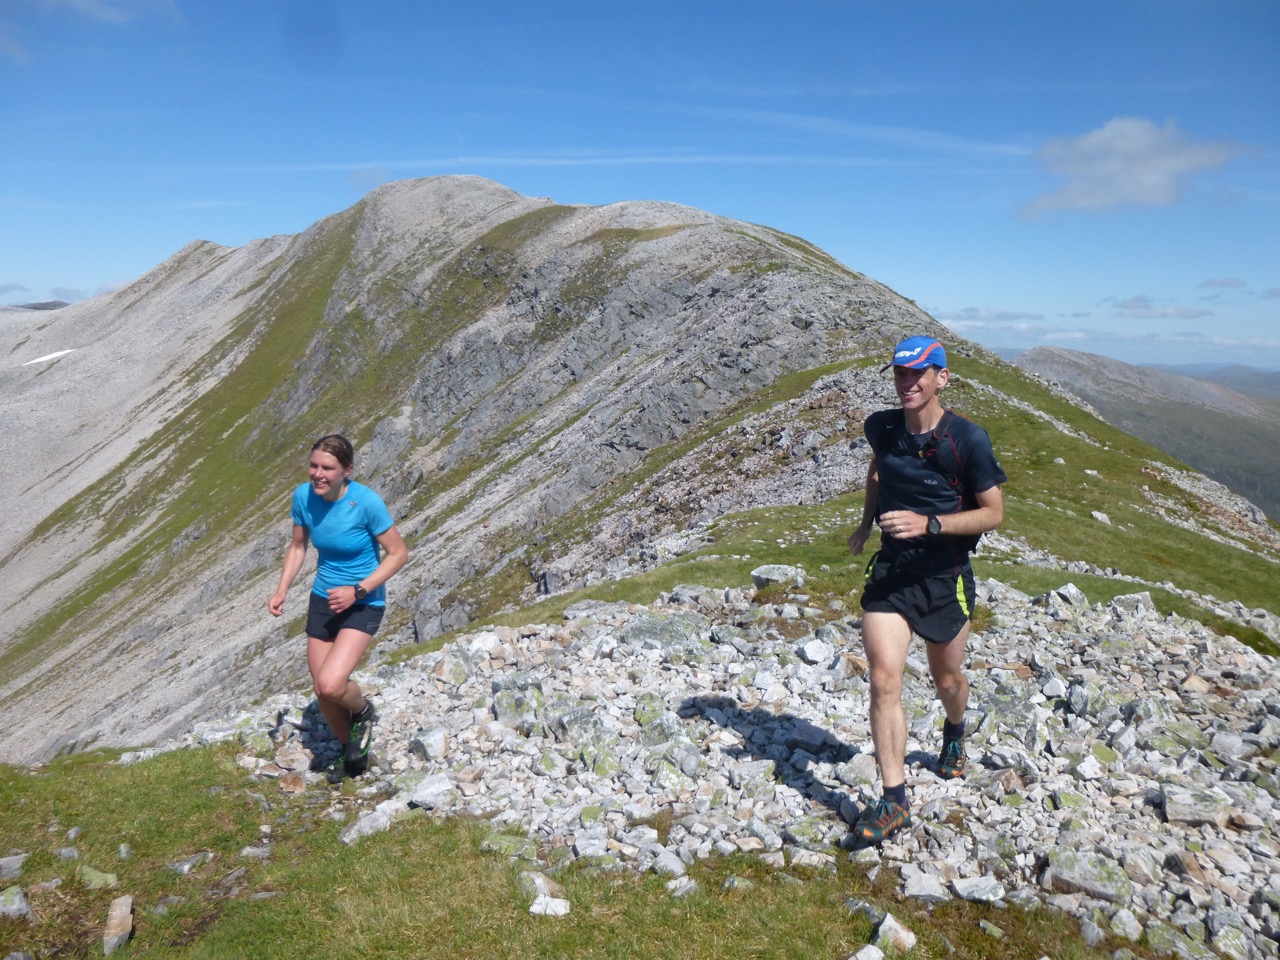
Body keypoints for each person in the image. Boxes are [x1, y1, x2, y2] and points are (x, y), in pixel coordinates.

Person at [846, 336, 1006, 843]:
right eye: (899, 373)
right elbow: (878, 469)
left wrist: (930, 524)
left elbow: (994, 513)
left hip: (946, 578)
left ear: (942, 377)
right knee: (883, 678)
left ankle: (954, 733)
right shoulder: (882, 426)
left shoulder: (967, 439)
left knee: (947, 680)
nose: (908, 383)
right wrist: (866, 522)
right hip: (892, 575)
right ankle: (894, 800)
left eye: (919, 373)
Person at [268, 434, 409, 777]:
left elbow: (399, 553)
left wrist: (358, 591)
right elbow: (298, 546)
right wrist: (282, 589)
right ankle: (354, 756)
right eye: (313, 465)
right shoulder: (303, 496)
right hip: (323, 600)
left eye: (327, 468)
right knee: (322, 690)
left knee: (332, 684)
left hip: (363, 601)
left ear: (347, 470)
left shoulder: (366, 503)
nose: (317, 474)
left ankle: (362, 711)